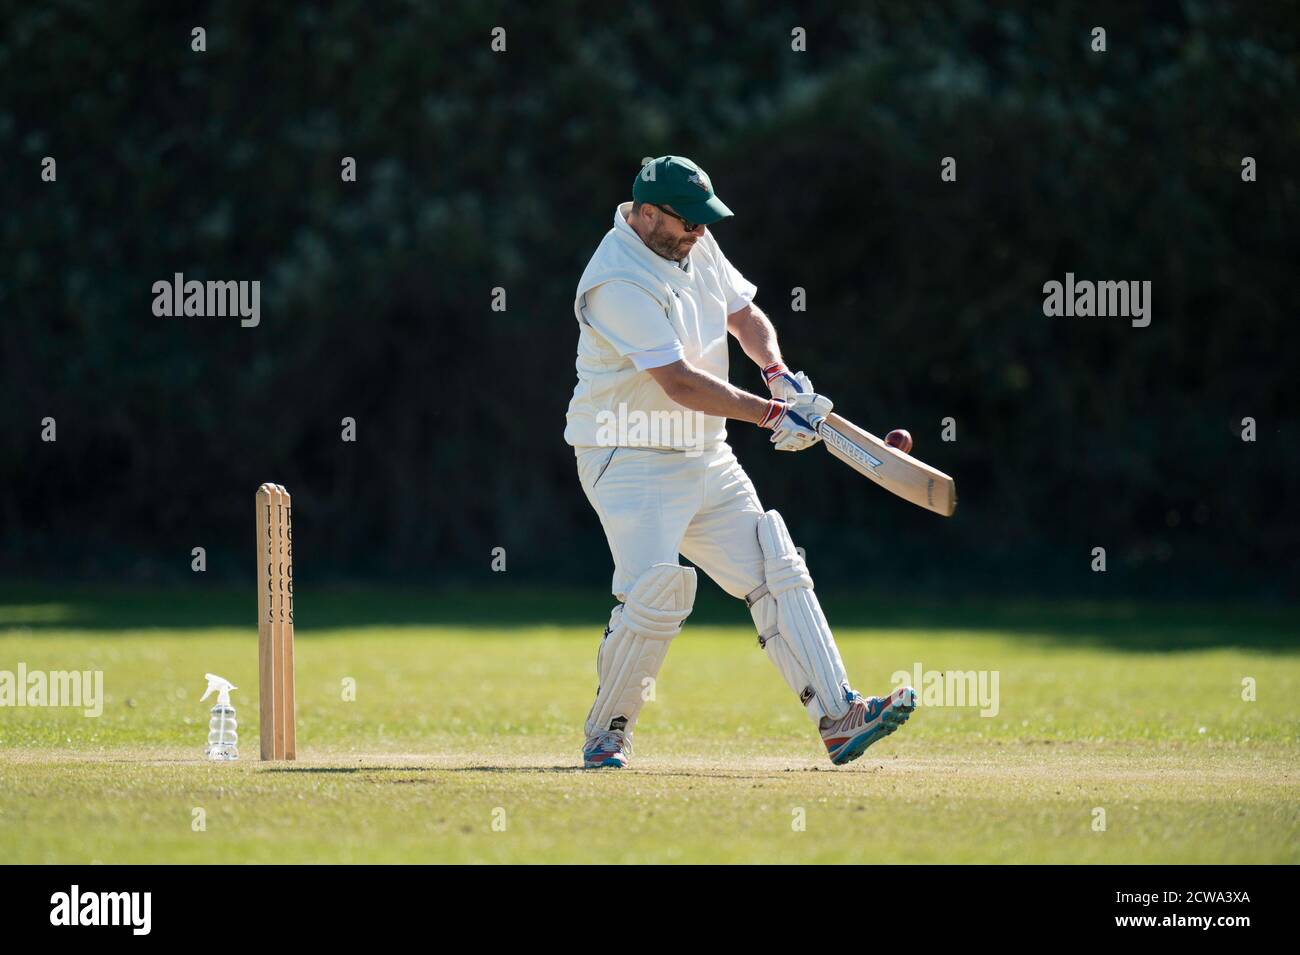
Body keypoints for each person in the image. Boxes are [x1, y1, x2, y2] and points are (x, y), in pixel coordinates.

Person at [565, 155, 916, 769]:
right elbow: (677, 381)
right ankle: (606, 735)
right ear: (646, 214)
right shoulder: (616, 279)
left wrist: (779, 376)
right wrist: (774, 416)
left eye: (703, 222)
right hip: (629, 451)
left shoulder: (692, 241)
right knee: (656, 594)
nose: (698, 233)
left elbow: (742, 314)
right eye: (685, 223)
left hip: (704, 451)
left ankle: (839, 717)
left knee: (775, 566)